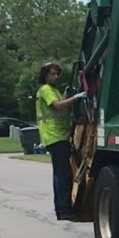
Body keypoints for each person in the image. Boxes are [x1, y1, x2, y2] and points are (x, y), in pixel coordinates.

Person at [35, 62, 85, 220]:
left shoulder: (53, 90)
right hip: (54, 136)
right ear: (45, 75)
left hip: (59, 135)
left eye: (57, 74)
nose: (56, 76)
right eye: (52, 74)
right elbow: (58, 107)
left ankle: (64, 207)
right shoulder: (46, 90)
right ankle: (63, 209)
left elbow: (60, 104)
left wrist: (67, 96)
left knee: (63, 173)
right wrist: (75, 98)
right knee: (62, 174)